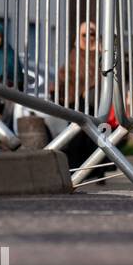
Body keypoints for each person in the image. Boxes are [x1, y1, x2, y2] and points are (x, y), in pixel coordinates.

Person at [55, 21, 102, 174]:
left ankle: (95, 171)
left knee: (94, 137)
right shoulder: (74, 54)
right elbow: (65, 73)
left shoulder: (101, 54)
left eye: (92, 34)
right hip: (76, 101)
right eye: (84, 34)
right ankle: (75, 169)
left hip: (95, 101)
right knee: (75, 136)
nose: (89, 37)